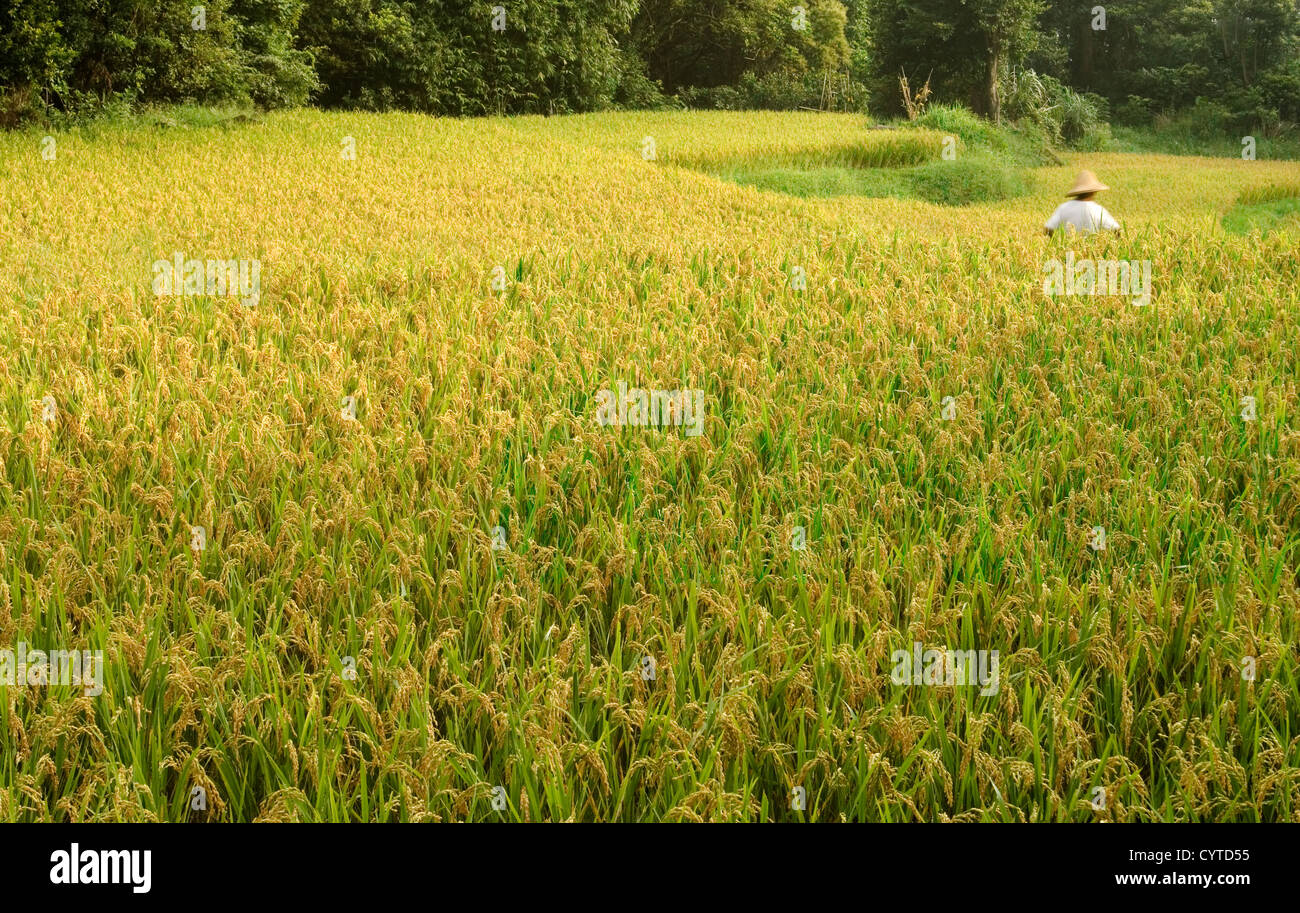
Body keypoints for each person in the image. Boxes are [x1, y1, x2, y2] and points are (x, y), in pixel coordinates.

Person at [1044, 170, 1120, 236]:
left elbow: (1048, 229)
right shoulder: (1098, 210)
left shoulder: (1063, 208)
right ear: (1093, 191)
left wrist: (1056, 243)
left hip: (1068, 251)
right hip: (1091, 251)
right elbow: (1116, 230)